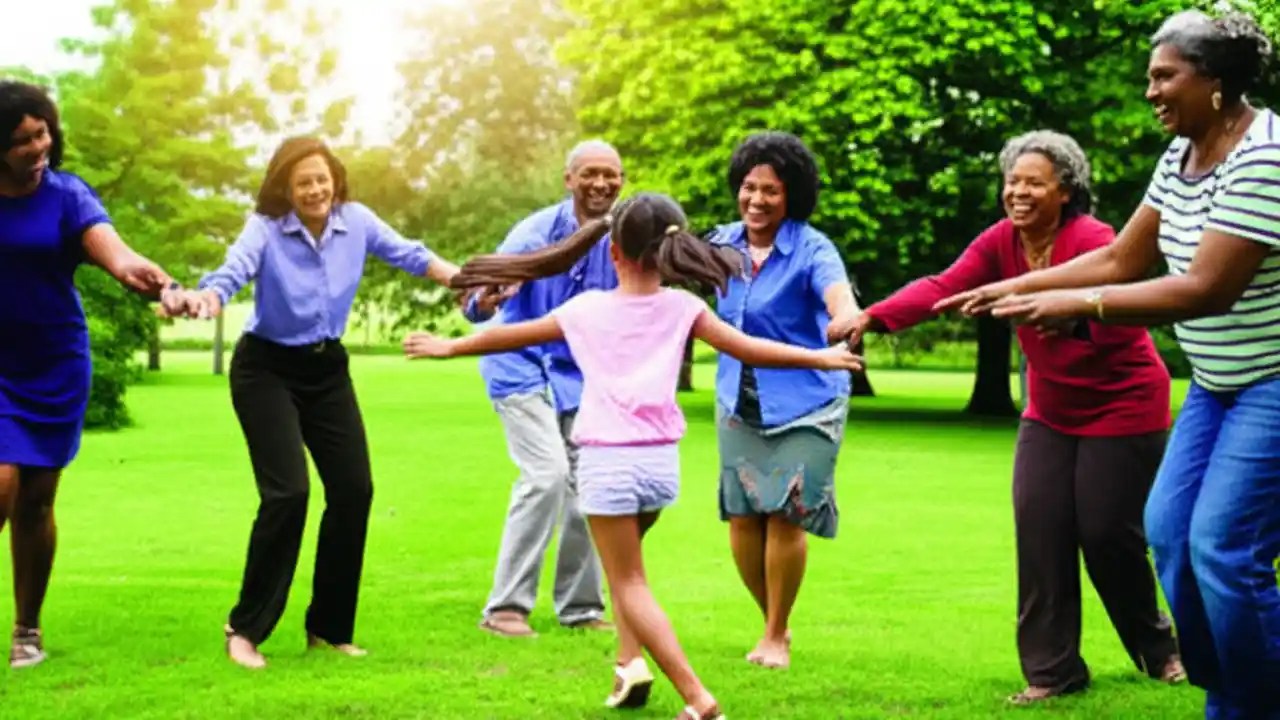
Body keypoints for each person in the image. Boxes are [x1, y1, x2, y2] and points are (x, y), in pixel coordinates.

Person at [406, 192, 864, 720]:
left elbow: (511, 335)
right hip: (659, 468)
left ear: (614, 254)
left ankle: (698, 697)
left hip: (609, 465)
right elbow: (748, 347)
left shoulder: (585, 310)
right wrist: (819, 356)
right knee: (631, 566)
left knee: (627, 581)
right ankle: (629, 665)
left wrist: (451, 346)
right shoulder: (684, 307)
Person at [937, 11, 1278, 718]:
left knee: (1221, 548)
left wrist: (1078, 305)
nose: (1150, 91)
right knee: (1169, 539)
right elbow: (1126, 257)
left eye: (1164, 76)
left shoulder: (1266, 157)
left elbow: (1204, 289)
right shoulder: (1179, 157)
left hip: (1271, 383)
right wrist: (1022, 284)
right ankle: (1234, 694)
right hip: (1217, 386)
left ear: (1213, 82)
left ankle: (1250, 703)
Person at [847, 130, 1184, 703]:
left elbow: (1121, 313)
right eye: (1012, 181)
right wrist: (872, 318)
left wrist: (1070, 318)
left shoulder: (1094, 239)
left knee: (1106, 533)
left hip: (1122, 402)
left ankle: (1159, 652)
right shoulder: (1001, 242)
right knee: (1041, 527)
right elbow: (944, 286)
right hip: (1050, 409)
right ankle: (1053, 673)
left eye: (1034, 182)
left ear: (1066, 191)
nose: (1018, 192)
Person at [178, 136, 462, 669]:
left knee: (354, 490)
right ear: (285, 187)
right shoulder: (264, 229)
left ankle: (329, 630)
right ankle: (244, 629)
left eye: (321, 178)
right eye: (302, 181)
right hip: (266, 369)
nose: (314, 189)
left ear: (336, 180)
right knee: (288, 493)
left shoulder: (357, 221)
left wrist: (461, 279)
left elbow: (411, 255)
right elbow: (234, 269)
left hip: (326, 369)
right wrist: (209, 296)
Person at [0, 80, 191, 668]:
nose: (39, 147)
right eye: (21, 140)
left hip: (54, 363)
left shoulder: (67, 195)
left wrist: (148, 277)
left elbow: (114, 250)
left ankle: (27, 630)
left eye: (43, 133)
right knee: (2, 484)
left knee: (36, 500)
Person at [707, 131, 862, 668]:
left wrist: (844, 317)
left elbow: (837, 292)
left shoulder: (812, 248)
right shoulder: (719, 244)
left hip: (808, 402)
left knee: (787, 513)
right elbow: (659, 267)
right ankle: (775, 620)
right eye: (748, 187)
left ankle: (775, 635)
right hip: (737, 400)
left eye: (770, 190)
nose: (757, 200)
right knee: (744, 517)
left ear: (791, 194)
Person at [458, 140, 623, 638]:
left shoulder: (623, 236)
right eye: (590, 174)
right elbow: (474, 302)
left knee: (588, 486)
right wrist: (488, 300)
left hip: (580, 375)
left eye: (611, 175)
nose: (601, 184)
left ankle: (580, 608)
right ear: (568, 179)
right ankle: (505, 609)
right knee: (547, 474)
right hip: (520, 365)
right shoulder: (534, 233)